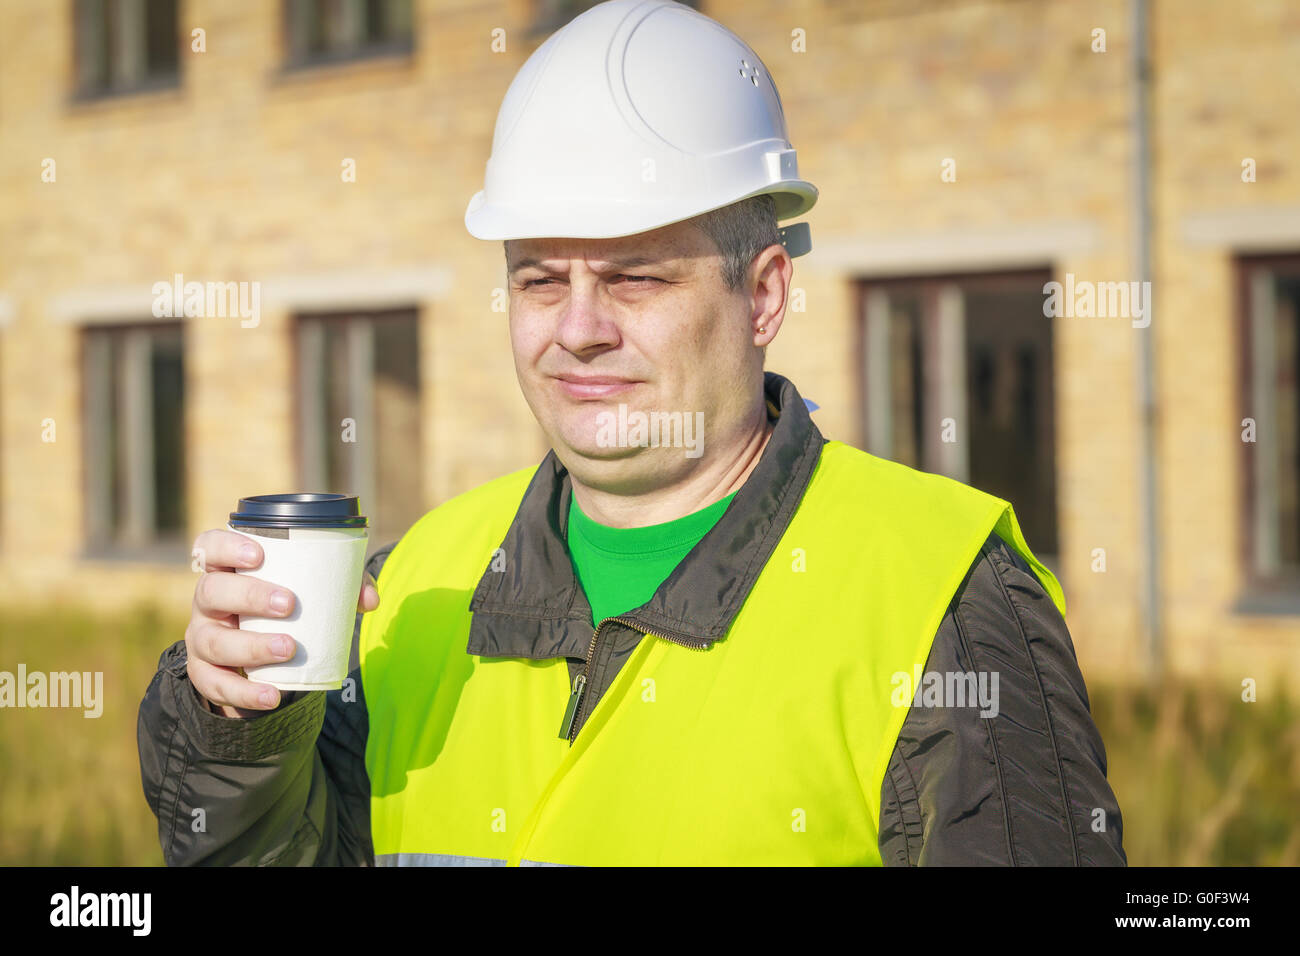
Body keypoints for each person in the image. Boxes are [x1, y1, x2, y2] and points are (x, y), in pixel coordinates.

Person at [138, 0, 1125, 866]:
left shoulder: (939, 595)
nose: (577, 328)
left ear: (764, 292)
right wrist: (238, 726)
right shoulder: (411, 586)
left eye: (634, 276)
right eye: (539, 278)